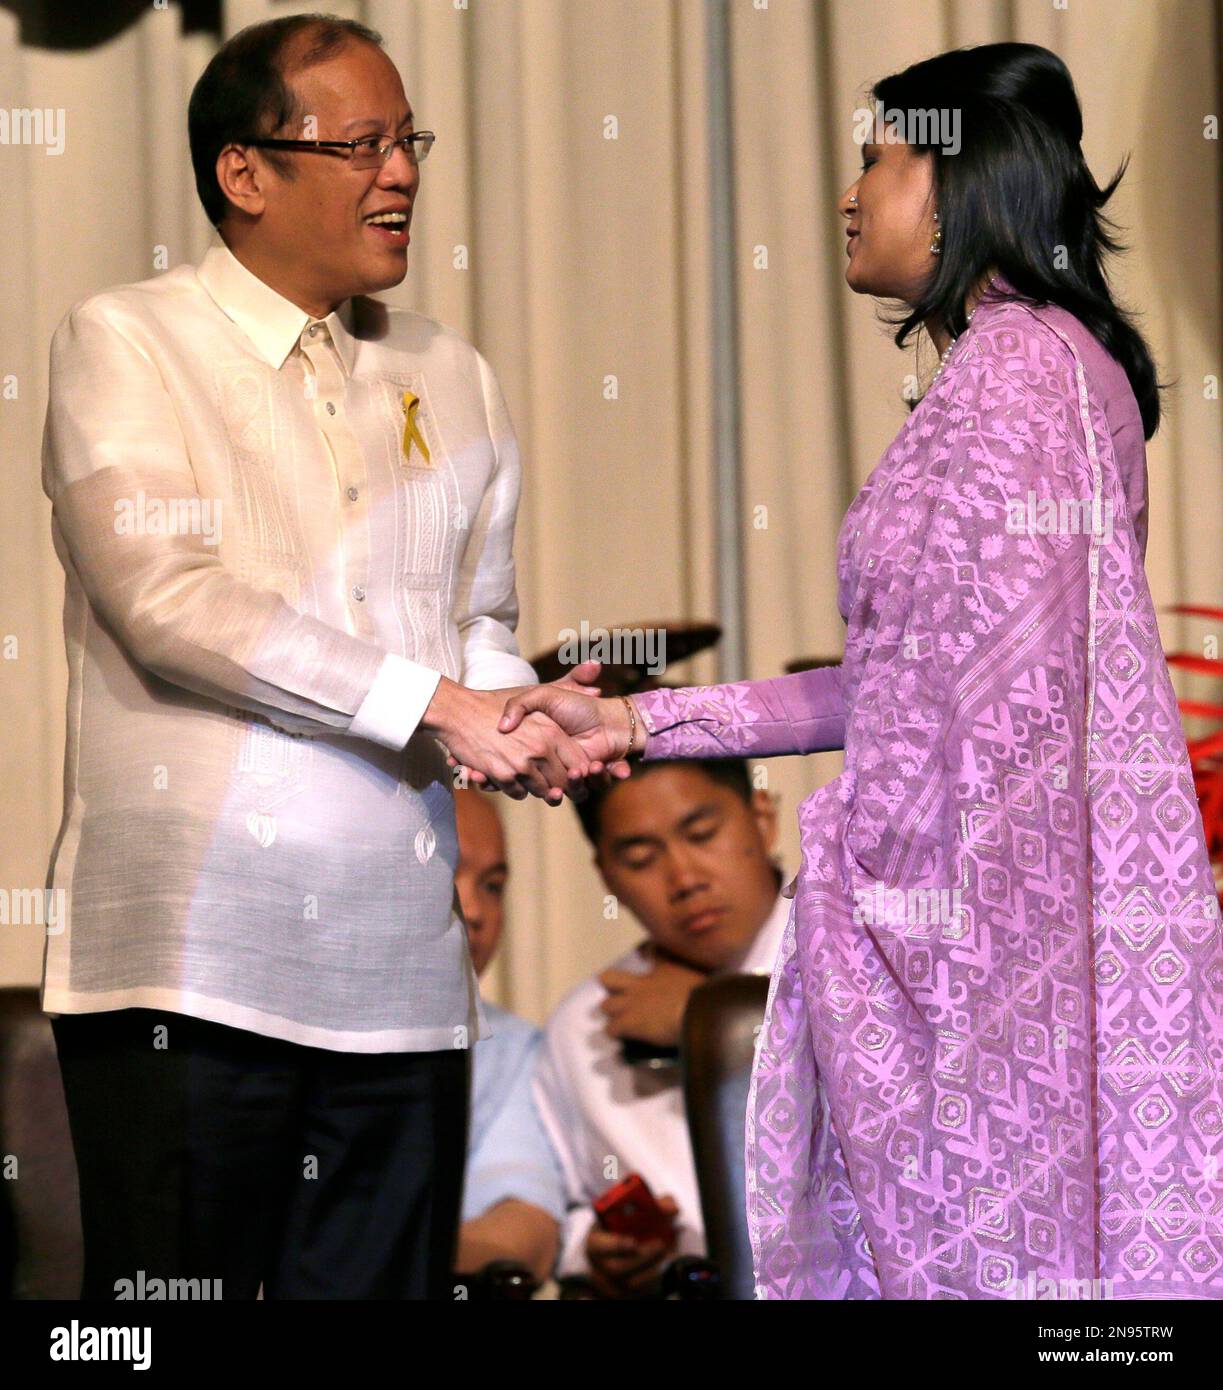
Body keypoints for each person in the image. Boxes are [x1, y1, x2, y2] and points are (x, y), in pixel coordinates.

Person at [499, 42, 1223, 1299]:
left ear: (956, 179)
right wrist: (631, 724)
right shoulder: (1036, 367)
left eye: (873, 160)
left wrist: (890, 920)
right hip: (1005, 965)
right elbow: (898, 690)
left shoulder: (1016, 381)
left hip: (986, 985)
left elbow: (993, 740)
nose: (846, 195)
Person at [40, 14, 601, 1301]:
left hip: (402, 971)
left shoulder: (447, 368)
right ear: (244, 173)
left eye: (408, 142)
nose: (399, 173)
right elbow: (166, 599)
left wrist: (523, 716)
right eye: (359, 144)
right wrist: (439, 703)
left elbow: (476, 626)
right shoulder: (127, 340)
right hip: (193, 961)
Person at [533, 758, 789, 1298]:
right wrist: (597, 1249)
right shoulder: (584, 1026)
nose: (685, 879)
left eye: (702, 834)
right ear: (606, 875)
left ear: (761, 818)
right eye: (641, 858)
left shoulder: (866, 949)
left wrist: (711, 1020)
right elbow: (569, 1205)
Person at [453, 787, 565, 1287]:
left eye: (493, 886)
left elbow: (524, 1235)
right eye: (445, 869)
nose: (474, 911)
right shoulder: (258, 1029)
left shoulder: (510, 1048)